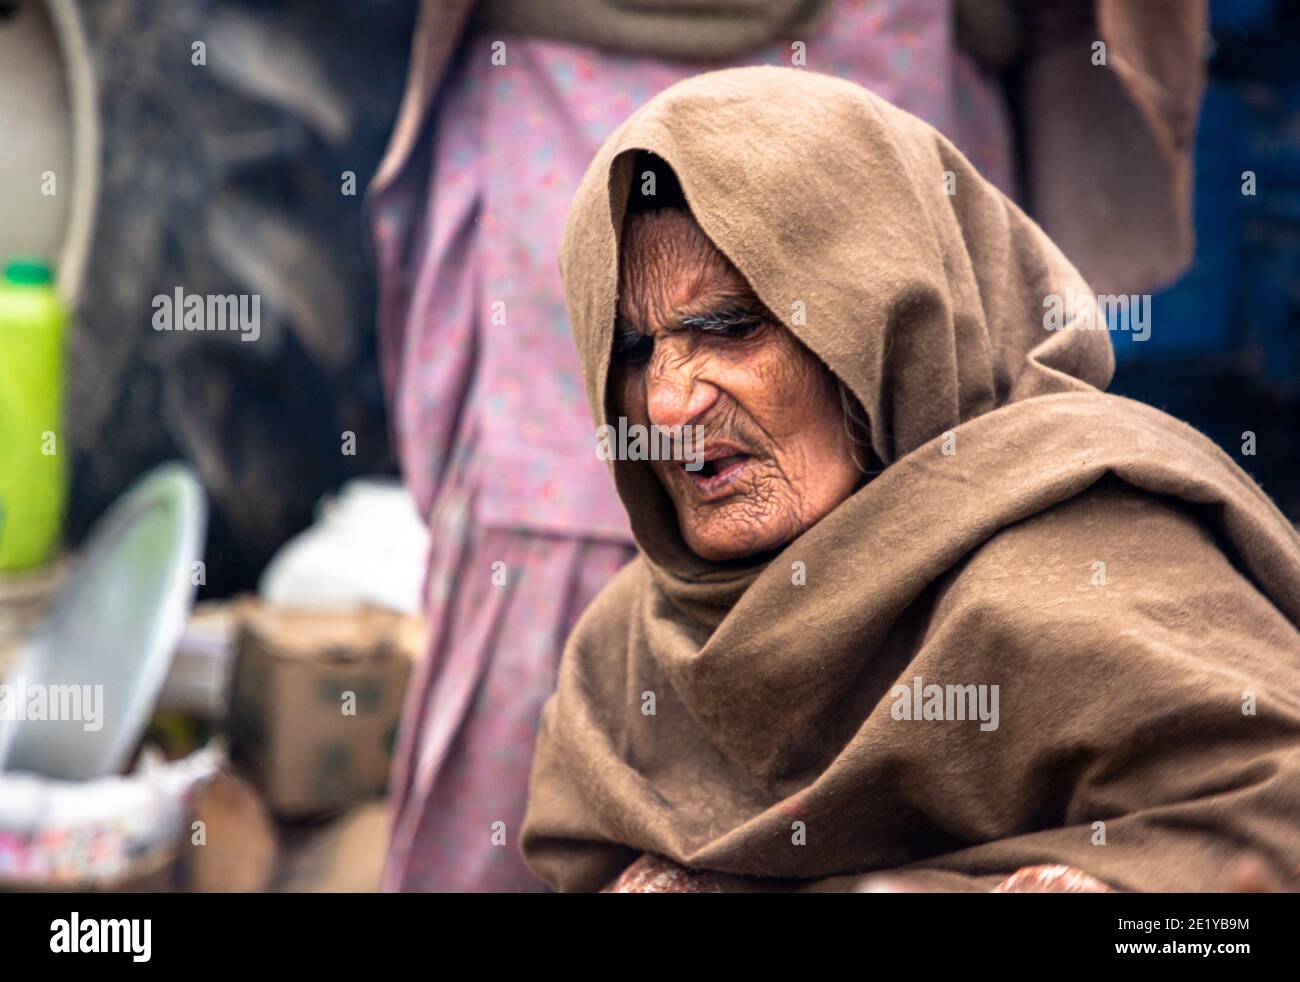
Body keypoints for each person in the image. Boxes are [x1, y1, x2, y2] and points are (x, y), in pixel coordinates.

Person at [519, 67, 1300, 893]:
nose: (668, 406)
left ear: (893, 321)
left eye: (728, 328)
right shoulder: (632, 648)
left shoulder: (1079, 566)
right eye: (633, 352)